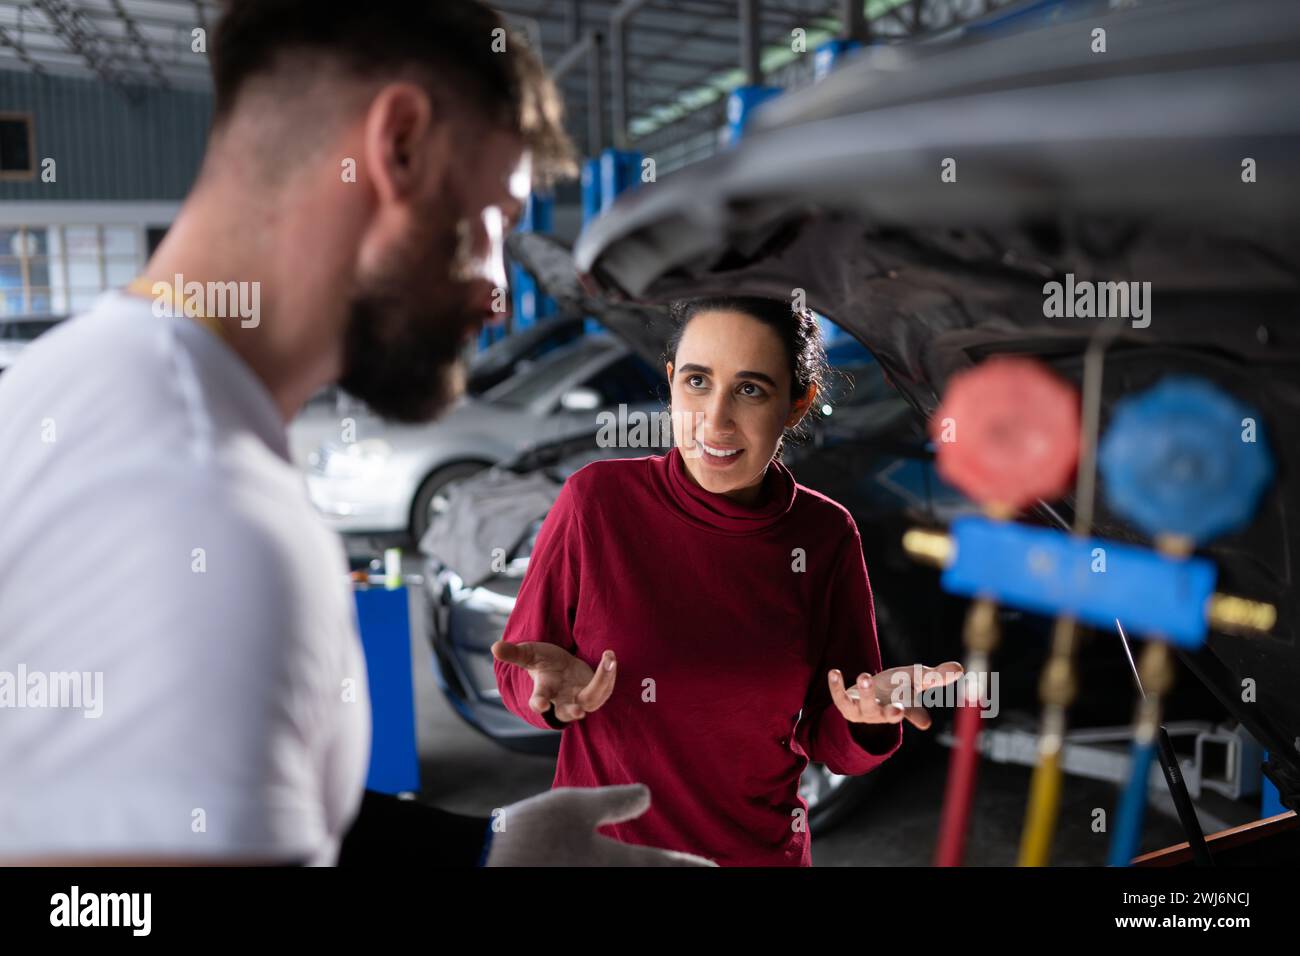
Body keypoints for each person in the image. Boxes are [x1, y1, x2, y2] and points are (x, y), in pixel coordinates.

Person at [0, 0, 709, 867]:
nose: (495, 293)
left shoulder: (71, 385)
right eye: (494, 220)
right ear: (399, 147)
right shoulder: (204, 513)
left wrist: (483, 856)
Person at [493, 297, 964, 866]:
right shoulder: (596, 503)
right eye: (697, 382)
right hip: (606, 857)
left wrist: (865, 719)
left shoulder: (825, 536)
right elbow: (518, 669)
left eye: (750, 390)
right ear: (671, 384)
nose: (715, 420)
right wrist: (545, 694)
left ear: (797, 405)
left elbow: (828, 733)